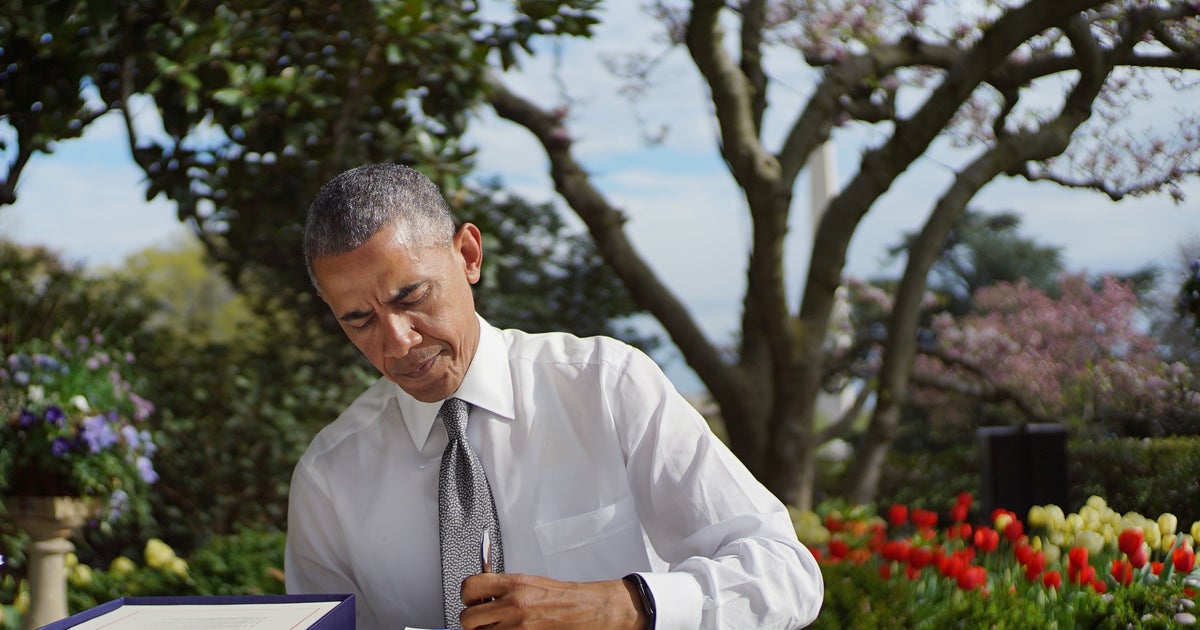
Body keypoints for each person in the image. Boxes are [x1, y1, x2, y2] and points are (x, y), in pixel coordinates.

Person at [285, 163, 823, 630]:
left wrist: (621, 607)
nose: (398, 341)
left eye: (412, 296)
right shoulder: (328, 476)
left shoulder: (606, 386)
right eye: (359, 320)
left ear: (468, 254)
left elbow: (786, 573)